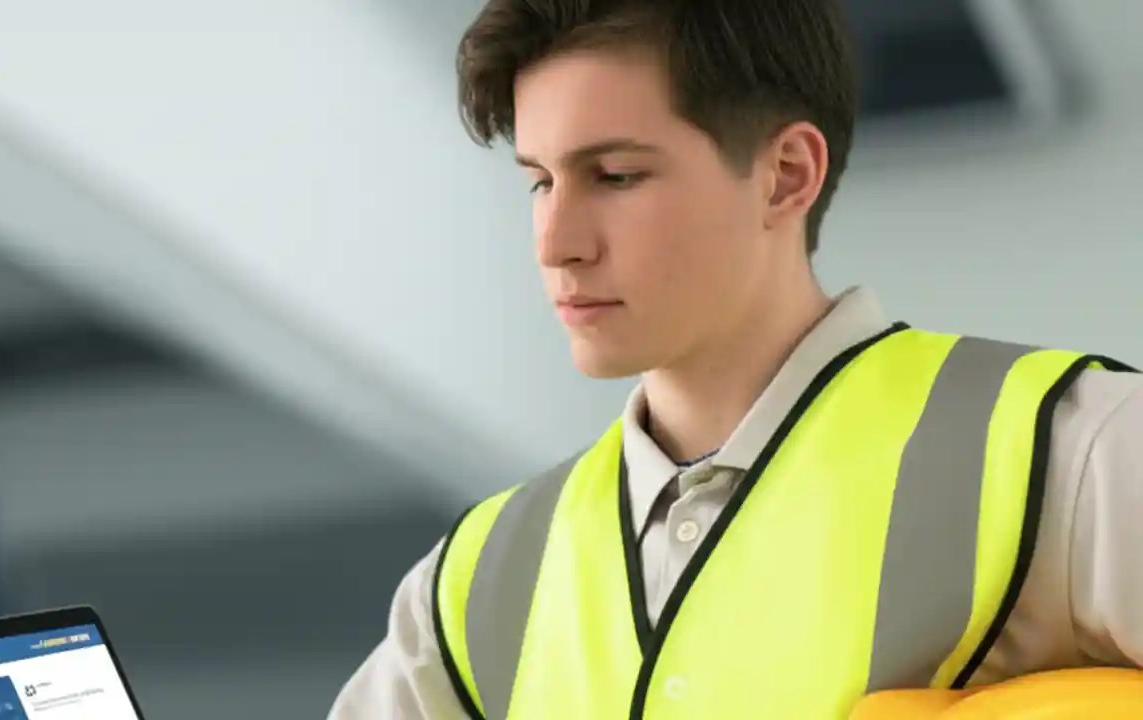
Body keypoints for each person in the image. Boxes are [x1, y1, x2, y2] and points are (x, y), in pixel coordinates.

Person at [329, 1, 1143, 717]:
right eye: (540, 182)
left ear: (787, 176)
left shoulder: (1071, 447)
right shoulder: (475, 586)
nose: (556, 244)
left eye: (615, 175)